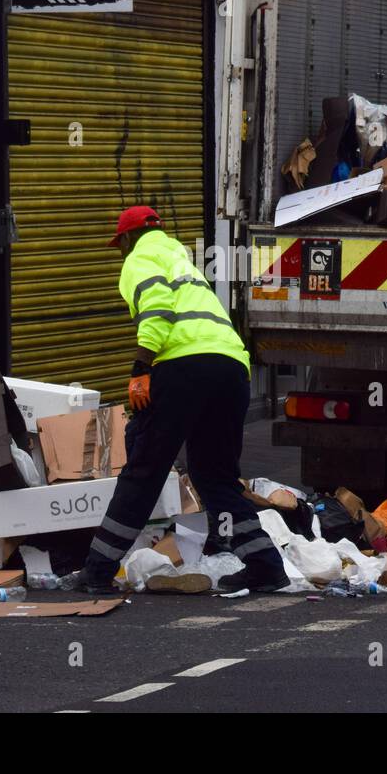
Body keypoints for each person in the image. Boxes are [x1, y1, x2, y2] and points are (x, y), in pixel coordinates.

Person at [76, 206, 289, 594]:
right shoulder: (184, 263)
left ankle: (97, 572)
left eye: (119, 244)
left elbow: (157, 308)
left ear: (126, 239)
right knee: (215, 475)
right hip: (232, 370)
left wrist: (140, 367)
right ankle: (266, 566)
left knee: (145, 470)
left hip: (183, 369)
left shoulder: (141, 258)